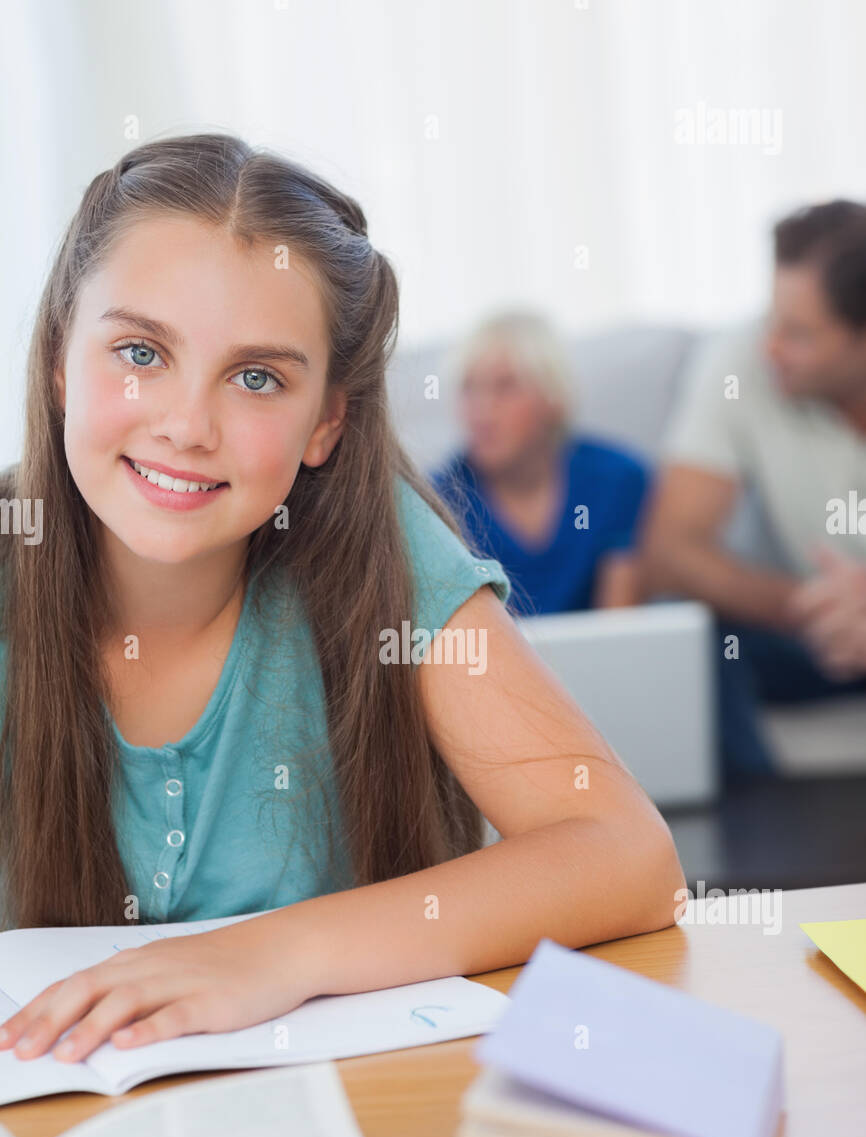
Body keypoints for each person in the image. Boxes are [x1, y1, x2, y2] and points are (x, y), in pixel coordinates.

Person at [0, 133, 683, 1064]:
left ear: (326, 420)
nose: (187, 427)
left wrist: (271, 953)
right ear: (56, 362)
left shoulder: (383, 553)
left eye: (256, 378)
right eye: (138, 351)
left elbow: (628, 857)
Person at [641, 200, 866, 779]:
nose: (771, 346)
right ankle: (768, 852)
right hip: (812, 635)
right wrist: (815, 606)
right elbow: (672, 549)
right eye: (772, 319)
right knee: (693, 630)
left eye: (800, 333)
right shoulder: (743, 363)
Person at [432, 312, 652, 616]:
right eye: (469, 388)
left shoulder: (617, 480)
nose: (481, 411)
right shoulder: (436, 502)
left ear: (554, 397)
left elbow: (621, 629)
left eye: (505, 387)